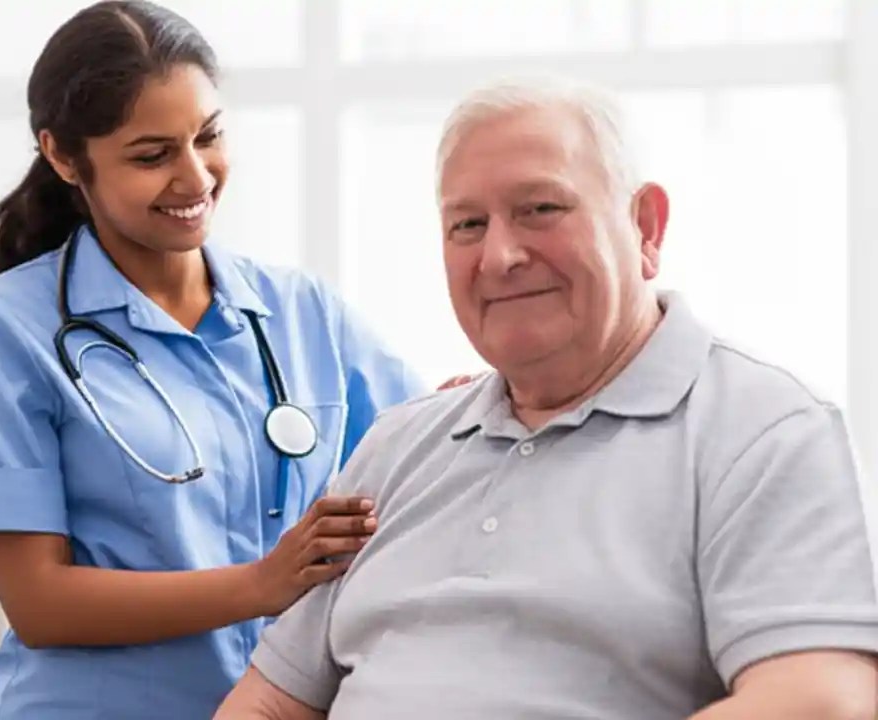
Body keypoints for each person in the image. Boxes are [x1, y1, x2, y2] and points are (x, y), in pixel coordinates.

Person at [215, 77, 878, 719]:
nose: (500, 255)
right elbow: (271, 700)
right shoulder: (396, 446)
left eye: (540, 209)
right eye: (467, 224)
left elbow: (822, 699)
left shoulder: (763, 430)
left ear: (646, 226)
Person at [0, 2, 457, 717]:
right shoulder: (5, 327)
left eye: (208, 137)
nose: (196, 178)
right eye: (152, 156)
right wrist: (261, 583)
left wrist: (476, 407)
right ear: (62, 156)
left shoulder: (303, 312)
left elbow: (425, 456)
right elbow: (39, 603)